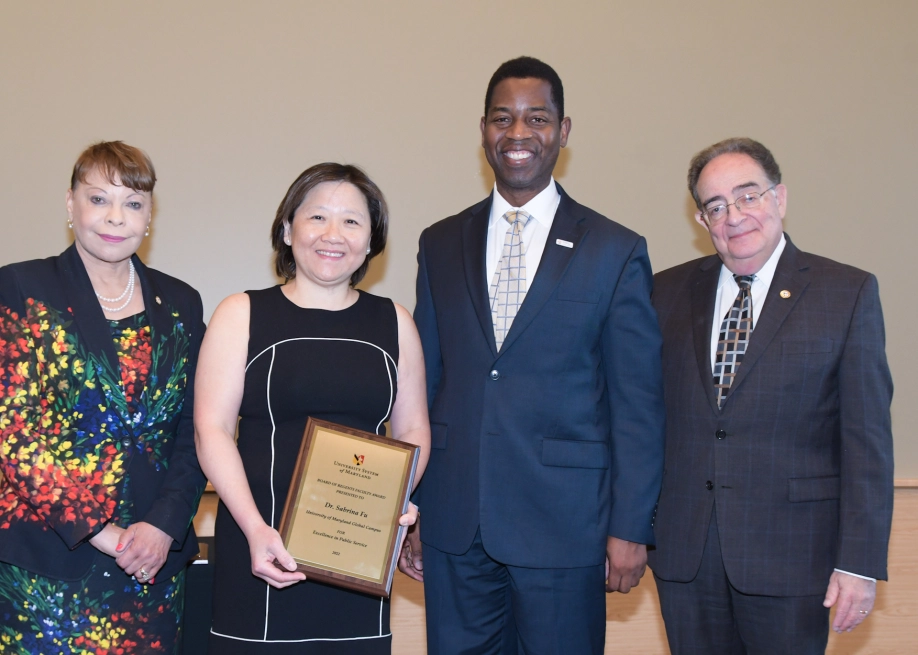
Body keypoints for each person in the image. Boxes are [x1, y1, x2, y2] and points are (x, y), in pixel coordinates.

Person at [402, 56, 665, 655]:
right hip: (454, 521)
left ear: (563, 131)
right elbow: (423, 386)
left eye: (536, 118)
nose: (518, 134)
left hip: (566, 526)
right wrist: (412, 506)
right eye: (503, 118)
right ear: (484, 130)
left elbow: (638, 405)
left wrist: (631, 526)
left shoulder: (615, 250)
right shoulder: (440, 242)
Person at [648, 137, 894, 654]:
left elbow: (867, 442)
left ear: (779, 198)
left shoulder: (844, 293)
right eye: (715, 205)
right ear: (701, 221)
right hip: (686, 558)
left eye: (748, 195)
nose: (733, 215)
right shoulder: (662, 293)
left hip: (793, 557)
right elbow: (640, 421)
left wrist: (859, 563)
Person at [195, 162, 430, 654]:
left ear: (371, 240)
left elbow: (413, 430)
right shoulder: (242, 313)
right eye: (317, 217)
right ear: (287, 228)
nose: (333, 234)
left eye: (352, 221)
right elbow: (211, 429)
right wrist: (256, 531)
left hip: (357, 561)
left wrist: (394, 502)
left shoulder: (395, 323)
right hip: (260, 551)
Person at [0, 141, 207, 654]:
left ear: (150, 216)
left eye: (133, 204)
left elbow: (196, 428)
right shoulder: (21, 287)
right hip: (48, 564)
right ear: (70, 205)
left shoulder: (181, 301)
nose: (116, 217)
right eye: (98, 199)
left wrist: (162, 526)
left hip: (151, 566)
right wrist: (104, 532)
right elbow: (16, 433)